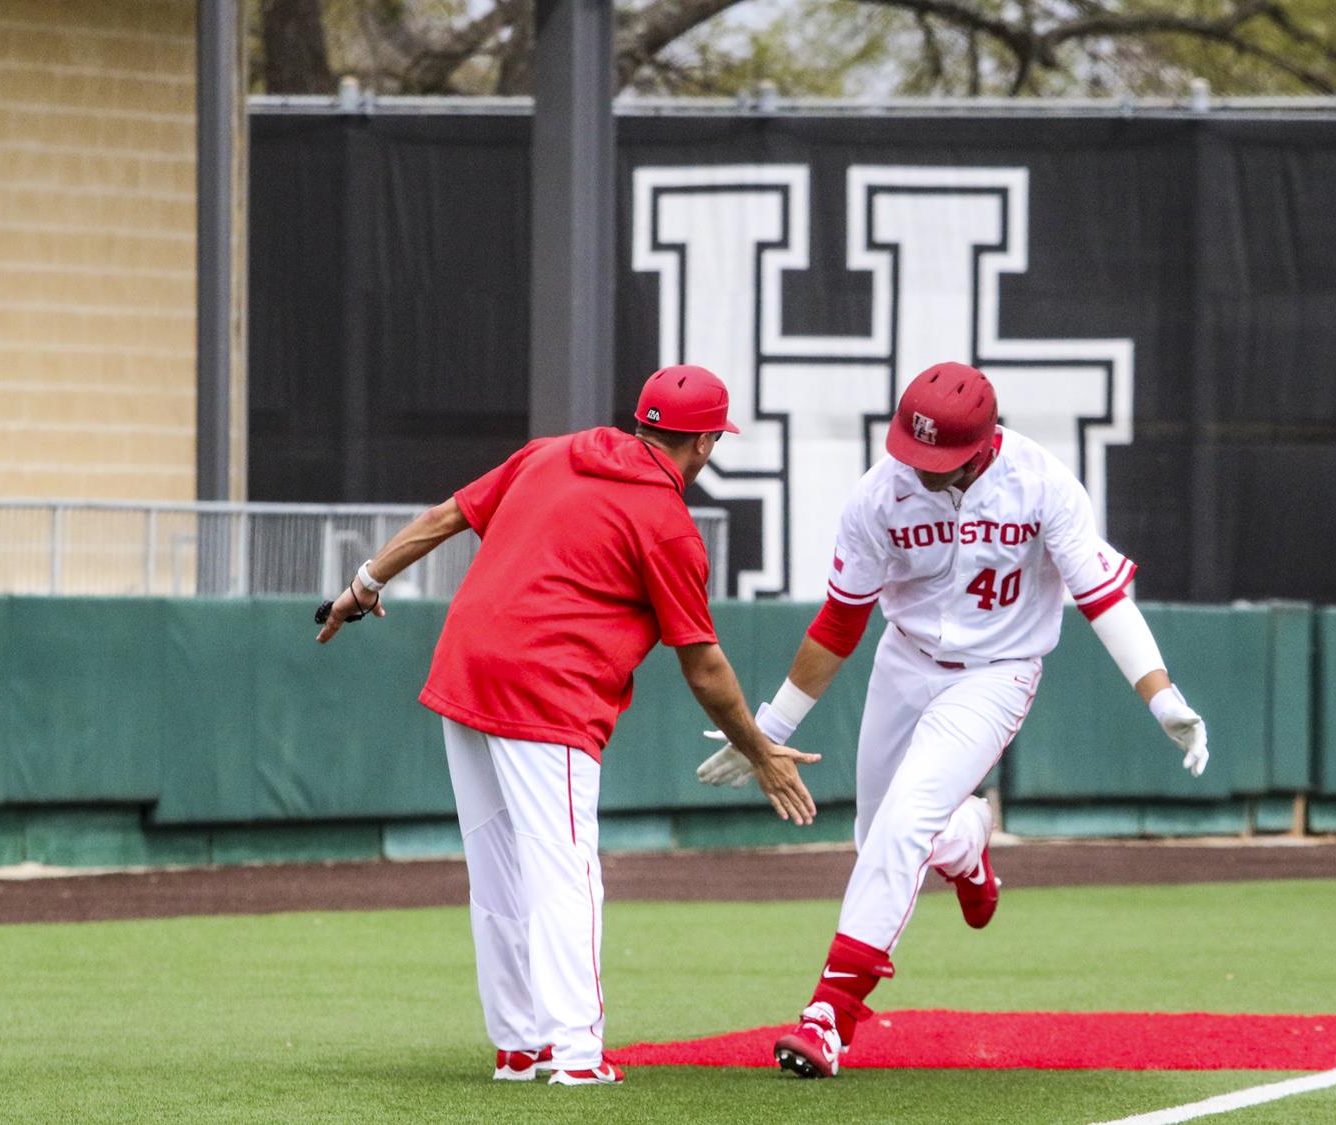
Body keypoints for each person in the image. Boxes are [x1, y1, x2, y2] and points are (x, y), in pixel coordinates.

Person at [693, 362, 1211, 1078]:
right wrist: (768, 728)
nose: (917, 464)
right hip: (904, 662)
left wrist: (1162, 695)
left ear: (983, 443)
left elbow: (1100, 598)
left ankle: (828, 1017)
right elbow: (841, 622)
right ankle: (966, 839)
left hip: (997, 674)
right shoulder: (880, 494)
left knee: (903, 826)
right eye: (912, 445)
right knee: (877, 839)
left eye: (937, 456)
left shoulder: (1042, 483)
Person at [314, 364, 821, 1087]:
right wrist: (761, 751)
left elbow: (441, 518)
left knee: (498, 870)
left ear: (643, 421)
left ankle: (521, 1045)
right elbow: (703, 665)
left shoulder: (550, 452)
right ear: (705, 443)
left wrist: (361, 588)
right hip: (545, 692)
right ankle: (577, 1055)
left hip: (466, 668)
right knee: (565, 871)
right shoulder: (667, 524)